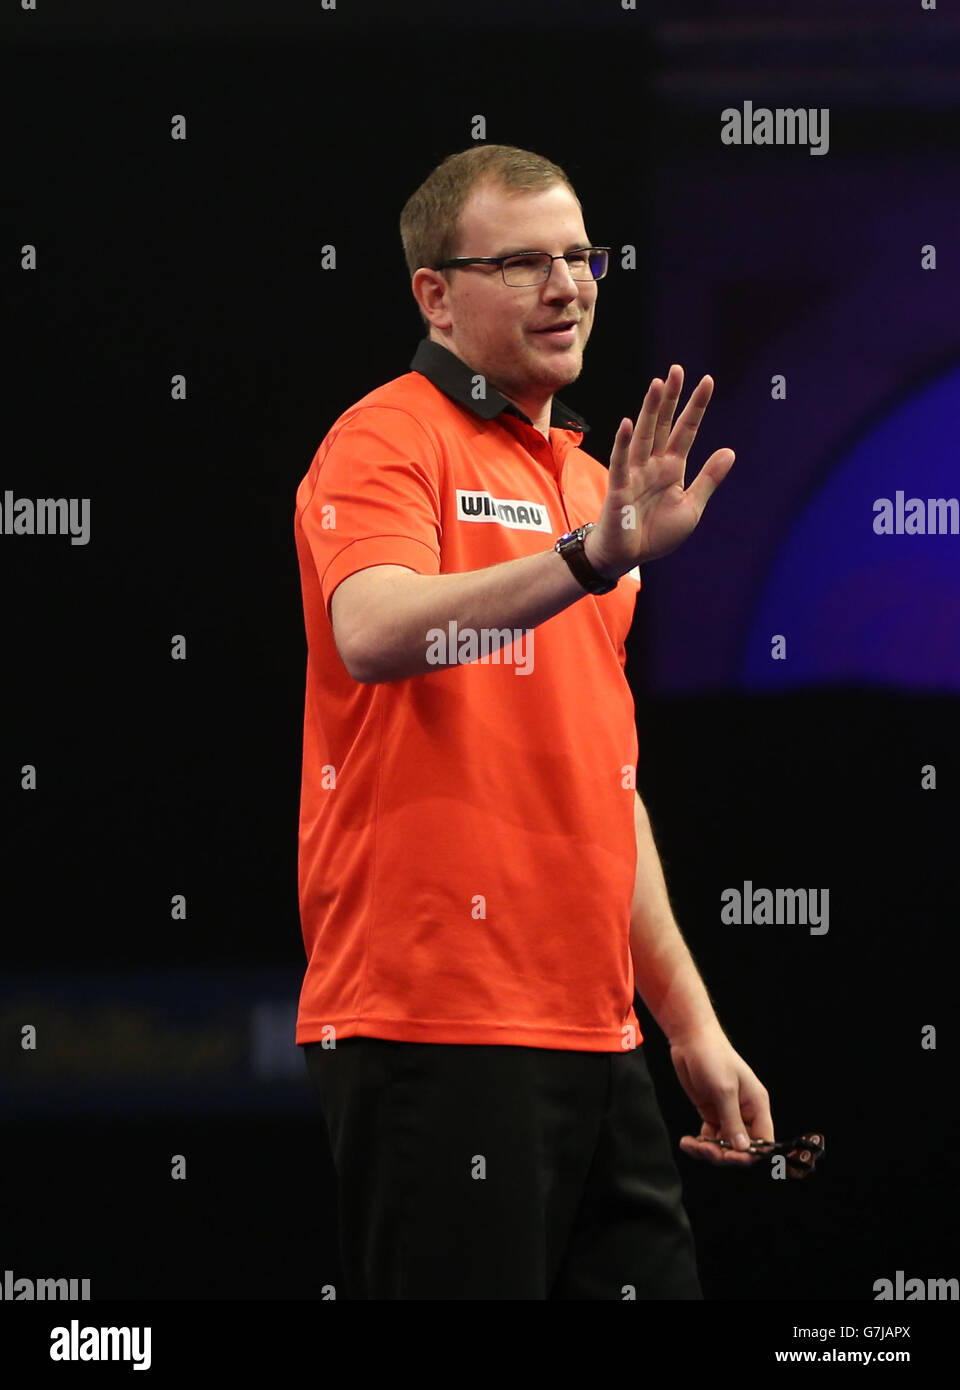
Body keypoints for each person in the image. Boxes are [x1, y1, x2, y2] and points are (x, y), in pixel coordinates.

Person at [294, 143, 774, 1300]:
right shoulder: (388, 437)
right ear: (436, 295)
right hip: (433, 1019)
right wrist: (589, 558)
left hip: (597, 1037)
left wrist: (690, 1024)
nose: (568, 285)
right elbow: (374, 628)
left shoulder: (588, 481)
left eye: (579, 254)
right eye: (524, 261)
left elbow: (607, 784)